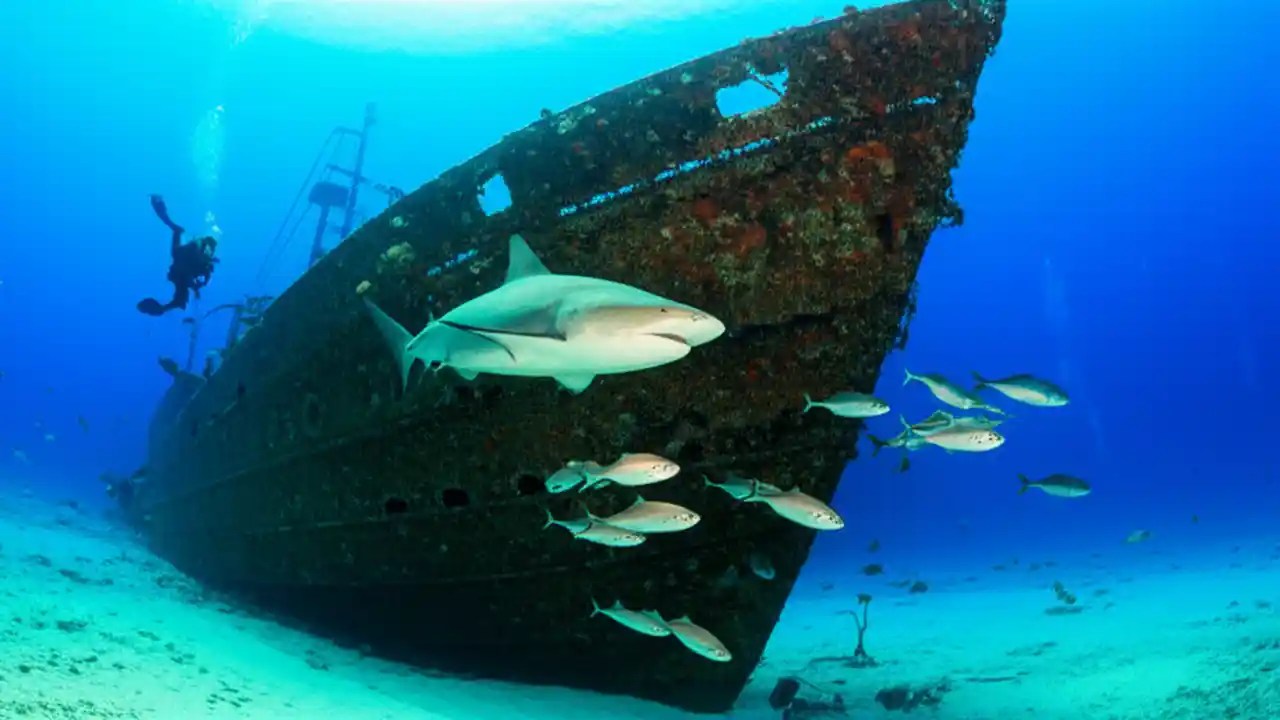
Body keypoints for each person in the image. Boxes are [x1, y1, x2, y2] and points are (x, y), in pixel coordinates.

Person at [137, 194, 219, 316]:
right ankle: (160, 206)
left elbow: (181, 298)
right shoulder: (203, 263)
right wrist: (198, 286)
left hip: (183, 260)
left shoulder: (198, 262)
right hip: (184, 261)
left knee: (177, 233)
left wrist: (197, 287)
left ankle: (159, 205)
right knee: (179, 236)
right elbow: (204, 276)